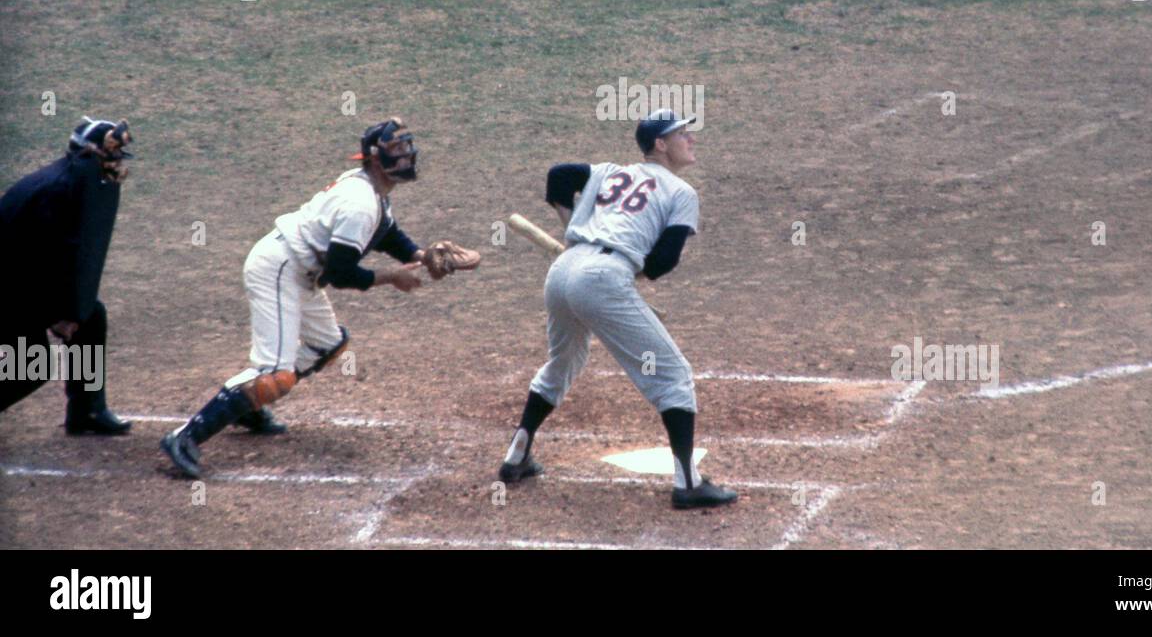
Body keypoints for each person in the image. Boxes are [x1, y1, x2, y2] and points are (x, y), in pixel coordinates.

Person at [160, 117, 456, 478]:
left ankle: (247, 407)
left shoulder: (371, 192)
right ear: (376, 159)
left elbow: (387, 232)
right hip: (280, 268)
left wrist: (420, 255)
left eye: (407, 147)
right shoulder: (359, 203)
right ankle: (185, 436)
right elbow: (340, 273)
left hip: (299, 271)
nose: (407, 155)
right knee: (274, 375)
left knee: (327, 345)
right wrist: (392, 277)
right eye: (397, 150)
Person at [499, 108, 737, 509]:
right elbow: (662, 263)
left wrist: (573, 226)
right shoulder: (682, 193)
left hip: (563, 270)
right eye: (682, 135)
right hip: (602, 277)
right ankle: (688, 484)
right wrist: (620, 277)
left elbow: (558, 175)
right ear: (660, 144)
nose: (691, 140)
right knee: (674, 375)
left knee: (562, 363)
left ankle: (516, 455)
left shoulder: (609, 171)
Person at [0, 117, 134, 434]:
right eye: (108, 157)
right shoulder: (56, 193)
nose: (114, 164)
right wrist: (57, 314)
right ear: (87, 156)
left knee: (91, 315)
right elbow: (34, 264)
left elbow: (70, 258)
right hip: (10, 284)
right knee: (30, 368)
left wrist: (74, 310)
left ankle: (86, 410)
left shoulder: (76, 186)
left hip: (23, 280)